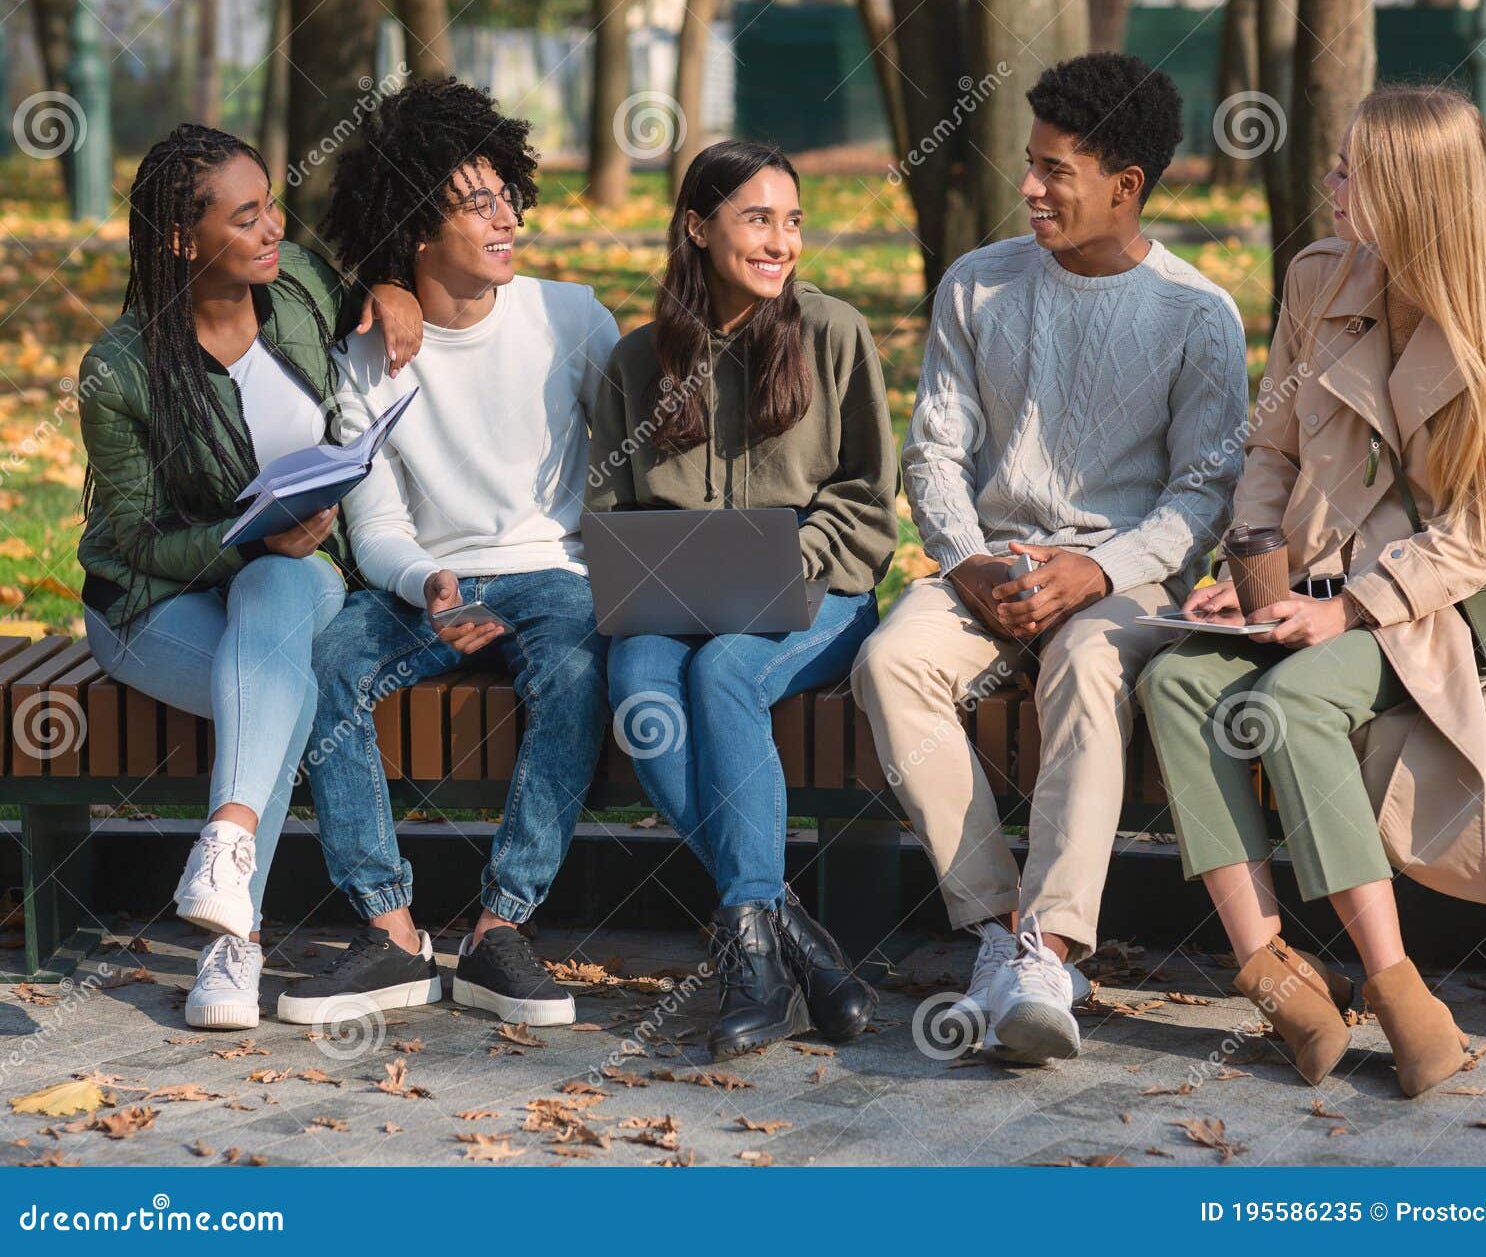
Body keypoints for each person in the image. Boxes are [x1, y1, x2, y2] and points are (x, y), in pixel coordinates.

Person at [1136, 84, 1486, 1097]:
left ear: (1418, 192)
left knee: (1291, 704)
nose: (1329, 186)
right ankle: (1277, 974)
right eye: (1336, 165)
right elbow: (1269, 449)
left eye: (1352, 173)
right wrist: (1249, 578)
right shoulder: (1317, 279)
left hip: (1439, 607)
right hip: (1310, 586)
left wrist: (1348, 606)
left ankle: (1390, 982)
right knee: (1173, 683)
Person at [852, 53, 1249, 1064]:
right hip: (990, 561)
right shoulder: (977, 283)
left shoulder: (1197, 314)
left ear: (1126, 185)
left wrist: (1104, 571)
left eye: (1054, 170)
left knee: (1086, 662)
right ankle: (996, 934)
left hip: (1123, 577)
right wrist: (968, 557)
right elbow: (933, 449)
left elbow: (1202, 490)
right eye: (1028, 165)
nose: (1029, 188)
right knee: (888, 661)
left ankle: (1052, 940)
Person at [276, 79, 618, 1028]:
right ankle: (392, 935)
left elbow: (634, 467)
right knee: (328, 662)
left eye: (508, 191)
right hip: (424, 579)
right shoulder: (366, 354)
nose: (507, 216)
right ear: (415, 229)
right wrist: (432, 582)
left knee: (580, 668)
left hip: (557, 572)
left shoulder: (573, 318)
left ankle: (499, 928)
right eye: (476, 203)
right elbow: (374, 520)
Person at [77, 123, 422, 1030]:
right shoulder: (118, 369)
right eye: (247, 216)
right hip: (150, 606)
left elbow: (363, 290)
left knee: (276, 601)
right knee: (288, 695)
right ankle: (235, 939)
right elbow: (139, 539)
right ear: (183, 241)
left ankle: (226, 862)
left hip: (291, 581)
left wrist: (387, 290)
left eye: (271, 203)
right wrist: (255, 540)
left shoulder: (301, 285)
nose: (273, 226)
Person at [588, 140, 898, 1061]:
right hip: (672, 602)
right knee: (641, 693)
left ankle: (753, 964)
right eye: (757, 218)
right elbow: (608, 512)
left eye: (792, 220)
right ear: (697, 226)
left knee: (726, 669)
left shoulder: (834, 332)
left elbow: (869, 498)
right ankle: (786, 934)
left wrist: (787, 555)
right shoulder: (636, 361)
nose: (781, 241)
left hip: (817, 591)